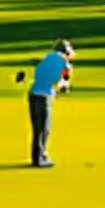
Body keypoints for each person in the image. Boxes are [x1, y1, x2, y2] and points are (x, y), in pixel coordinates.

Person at [27, 38, 74, 168]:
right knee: (44, 129)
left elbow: (37, 72)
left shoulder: (47, 57)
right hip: (44, 96)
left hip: (32, 94)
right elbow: (64, 83)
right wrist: (64, 85)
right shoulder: (65, 63)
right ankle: (40, 159)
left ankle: (38, 156)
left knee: (37, 129)